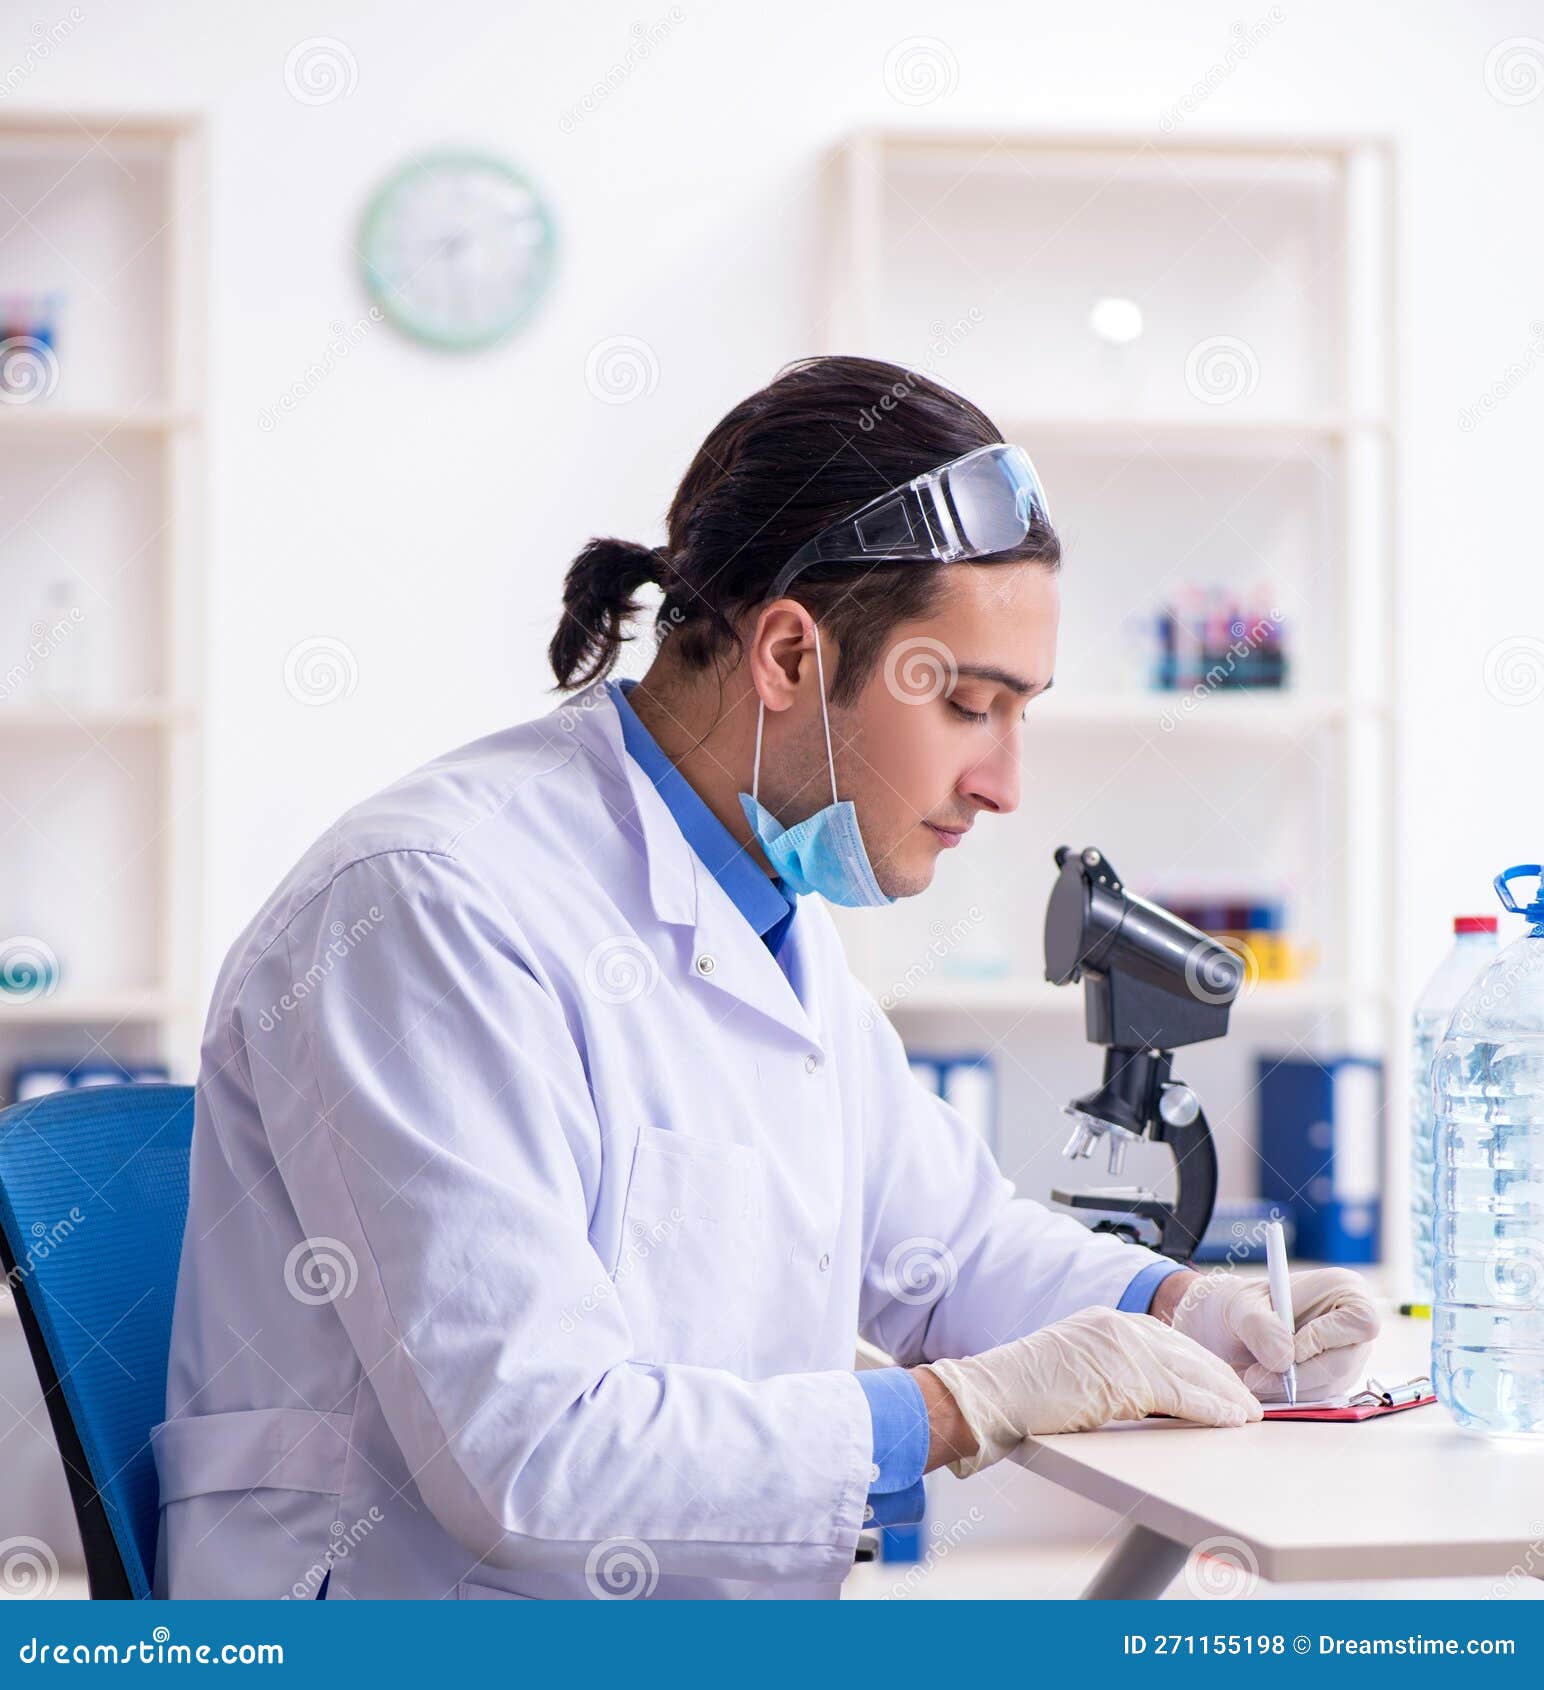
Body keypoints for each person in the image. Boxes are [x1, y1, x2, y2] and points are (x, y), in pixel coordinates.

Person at [153, 356, 1379, 1600]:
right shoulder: (428, 905)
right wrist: (960, 1408)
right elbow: (533, 1461)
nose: (1007, 784)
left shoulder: (763, 910)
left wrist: (1184, 1310)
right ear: (788, 657)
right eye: (968, 704)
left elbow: (944, 1250)